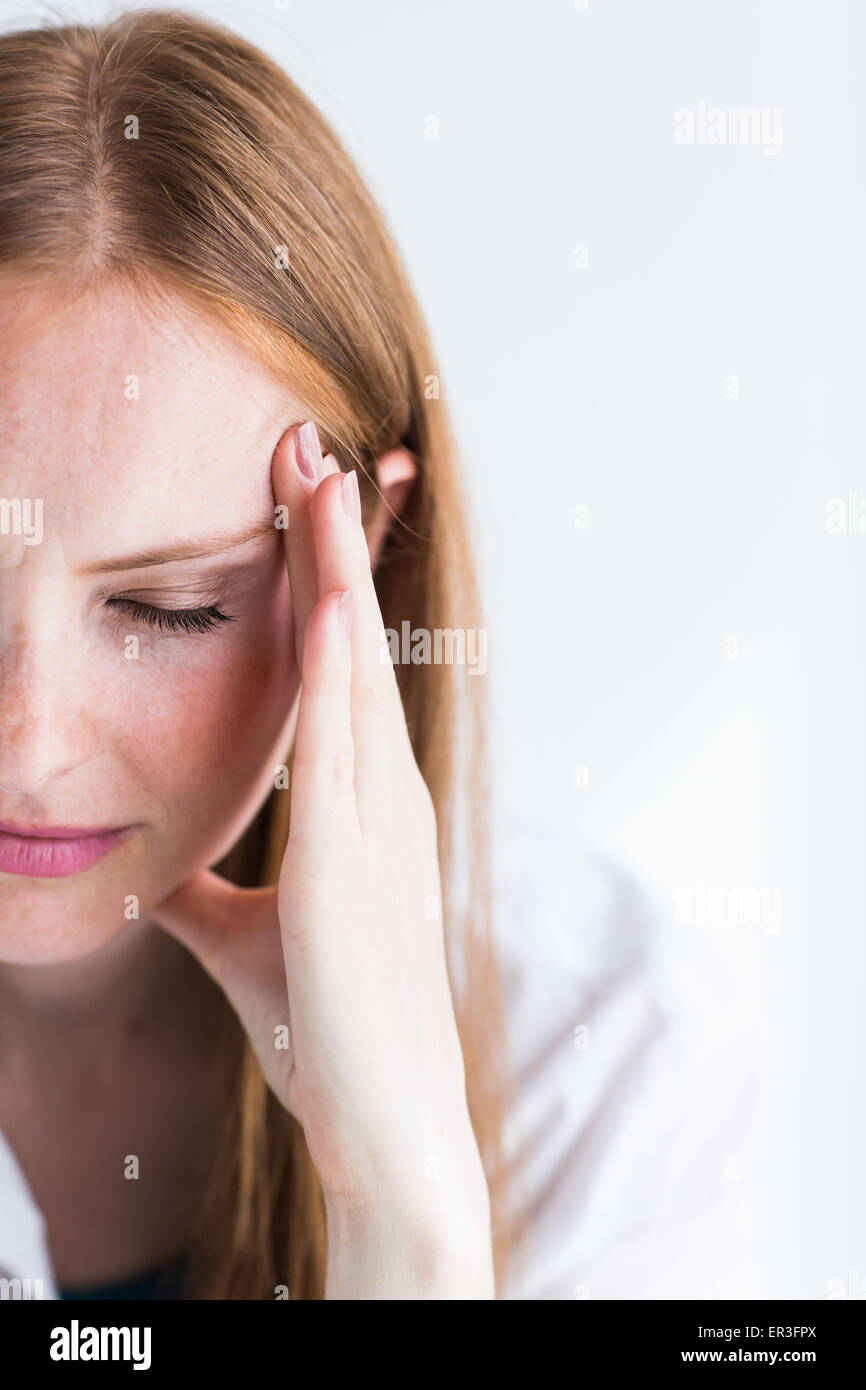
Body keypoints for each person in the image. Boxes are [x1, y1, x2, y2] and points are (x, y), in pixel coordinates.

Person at [0, 9, 757, 1301]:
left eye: (171, 606)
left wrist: (402, 1209)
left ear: (352, 560)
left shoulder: (596, 1060)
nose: (28, 736)